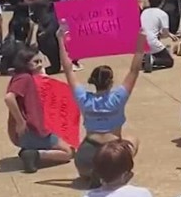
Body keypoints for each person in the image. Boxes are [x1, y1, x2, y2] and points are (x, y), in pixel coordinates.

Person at [60, 24, 144, 186]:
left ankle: (91, 173)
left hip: (85, 156)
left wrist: (60, 41)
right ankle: (112, 173)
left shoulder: (83, 98)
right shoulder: (117, 98)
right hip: (111, 153)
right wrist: (140, 42)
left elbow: (68, 69)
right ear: (111, 82)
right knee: (133, 140)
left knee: (86, 169)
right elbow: (134, 70)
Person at [5, 49, 75, 172]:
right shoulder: (24, 78)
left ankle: (30, 150)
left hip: (31, 129)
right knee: (67, 153)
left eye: (41, 61)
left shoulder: (23, 77)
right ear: (25, 64)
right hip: (31, 130)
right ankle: (35, 154)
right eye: (35, 62)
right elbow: (9, 98)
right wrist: (21, 122)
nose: (40, 65)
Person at [140, 0, 175, 72]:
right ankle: (153, 60)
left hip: (140, 41)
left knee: (155, 45)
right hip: (151, 41)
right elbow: (165, 34)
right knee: (169, 61)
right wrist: (164, 35)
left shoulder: (144, 12)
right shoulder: (162, 14)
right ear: (162, 2)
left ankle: (146, 58)